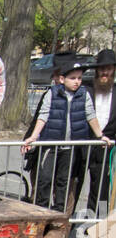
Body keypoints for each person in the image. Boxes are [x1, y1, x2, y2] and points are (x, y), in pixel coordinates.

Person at [22, 53, 112, 223]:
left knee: (66, 185)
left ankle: (61, 223)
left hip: (74, 148)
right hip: (51, 146)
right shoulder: (52, 93)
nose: (77, 81)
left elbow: (90, 115)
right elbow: (43, 116)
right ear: (62, 79)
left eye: (79, 78)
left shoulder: (84, 94)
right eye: (73, 78)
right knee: (45, 182)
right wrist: (33, 137)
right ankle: (40, 220)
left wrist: (100, 135)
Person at [82, 49, 116, 219]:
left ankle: (97, 221)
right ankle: (68, 221)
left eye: (108, 68)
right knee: (75, 184)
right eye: (102, 68)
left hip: (106, 146)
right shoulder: (85, 89)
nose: (105, 72)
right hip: (84, 144)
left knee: (101, 186)